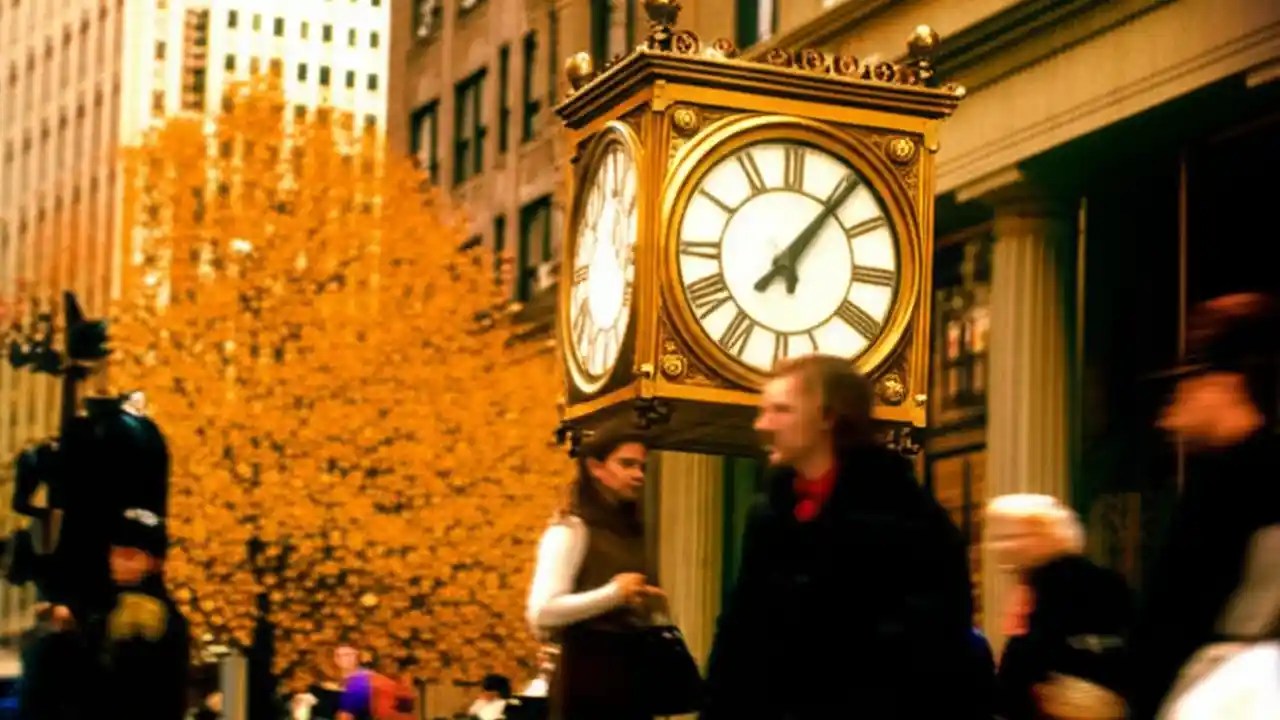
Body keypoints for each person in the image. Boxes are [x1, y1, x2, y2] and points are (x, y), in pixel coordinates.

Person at [702, 354, 985, 719]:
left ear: (827, 417)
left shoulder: (906, 518)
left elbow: (933, 648)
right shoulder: (769, 517)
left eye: (781, 410)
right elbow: (739, 641)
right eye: (763, 410)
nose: (763, 425)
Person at [1130, 292, 1280, 719]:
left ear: (1227, 383)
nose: (1176, 400)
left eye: (1190, 377)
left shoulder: (1239, 483)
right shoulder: (1229, 478)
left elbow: (1182, 612)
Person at [525, 422, 668, 720]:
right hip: (585, 681)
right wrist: (615, 594)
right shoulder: (571, 528)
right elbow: (541, 612)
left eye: (643, 467)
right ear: (595, 467)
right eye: (626, 464)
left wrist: (649, 602)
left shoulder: (632, 532)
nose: (638, 475)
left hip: (629, 680)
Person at [986, 493, 1132, 720]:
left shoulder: (1087, 587)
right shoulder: (1031, 585)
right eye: (997, 536)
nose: (999, 546)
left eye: (1014, 536)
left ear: (1045, 534)